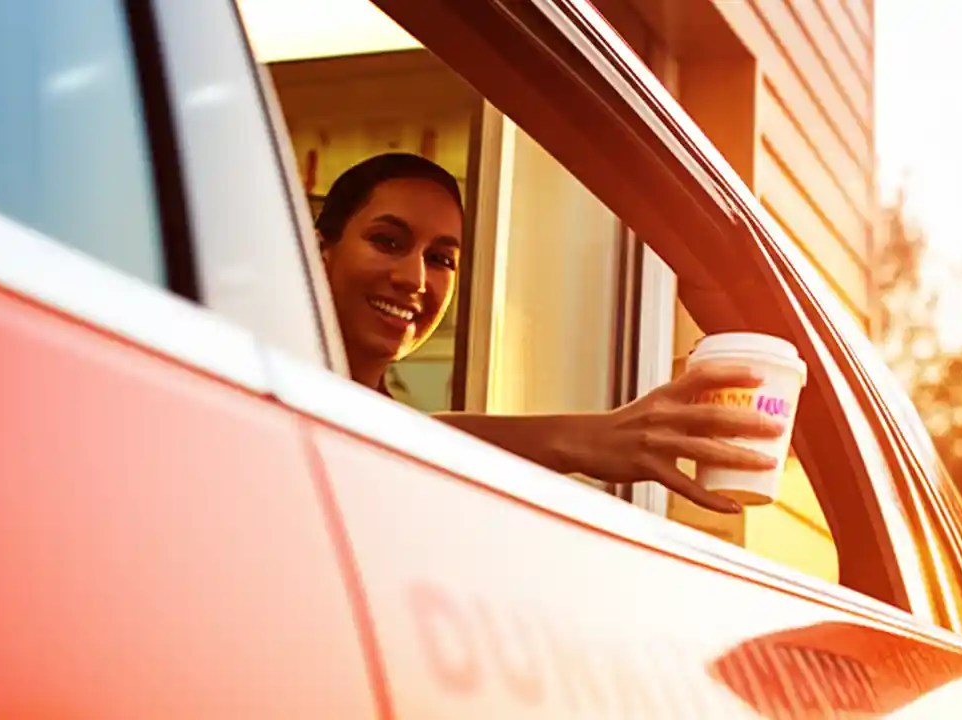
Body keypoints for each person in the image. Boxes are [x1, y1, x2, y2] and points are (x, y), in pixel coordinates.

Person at [316, 153, 783, 514]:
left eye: (440, 259)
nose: (414, 279)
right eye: (388, 242)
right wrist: (587, 438)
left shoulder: (401, 441)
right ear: (321, 249)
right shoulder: (280, 390)